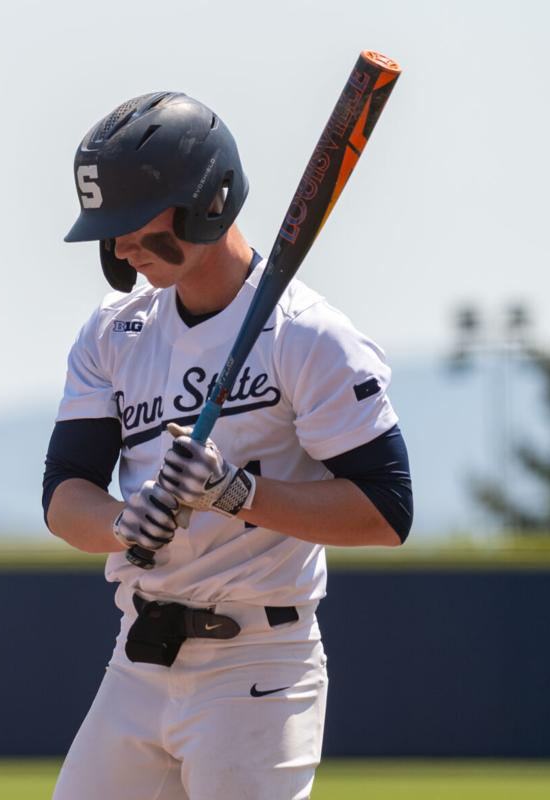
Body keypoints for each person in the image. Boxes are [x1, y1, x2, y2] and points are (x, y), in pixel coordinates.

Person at [42, 91, 414, 800]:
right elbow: (64, 494)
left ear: (207, 204)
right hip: (138, 661)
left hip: (258, 665)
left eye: (132, 224)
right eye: (108, 229)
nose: (119, 247)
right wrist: (123, 521)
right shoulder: (113, 331)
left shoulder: (308, 334)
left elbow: (387, 511)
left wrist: (238, 494)